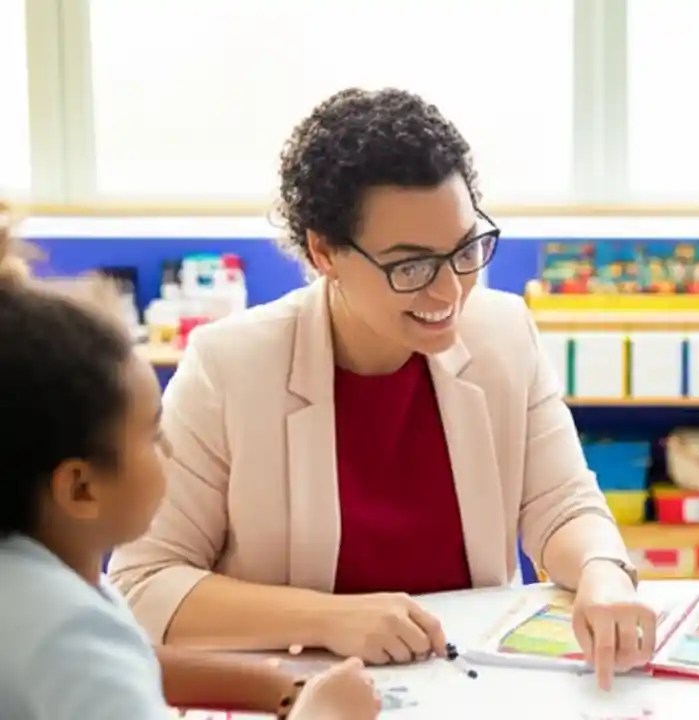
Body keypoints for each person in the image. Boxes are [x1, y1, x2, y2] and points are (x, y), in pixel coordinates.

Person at [107, 88, 652, 690]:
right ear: (324, 252)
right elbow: (144, 583)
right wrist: (329, 619)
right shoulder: (229, 367)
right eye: (410, 266)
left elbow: (563, 507)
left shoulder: (502, 334)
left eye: (465, 249)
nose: (449, 292)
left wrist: (603, 574)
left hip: (465, 689)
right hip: (303, 696)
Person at [0, 265, 379, 718]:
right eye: (153, 435)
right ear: (81, 489)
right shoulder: (65, 633)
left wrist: (275, 685)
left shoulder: (31, 586)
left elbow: (133, 660)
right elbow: (91, 662)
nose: (171, 449)